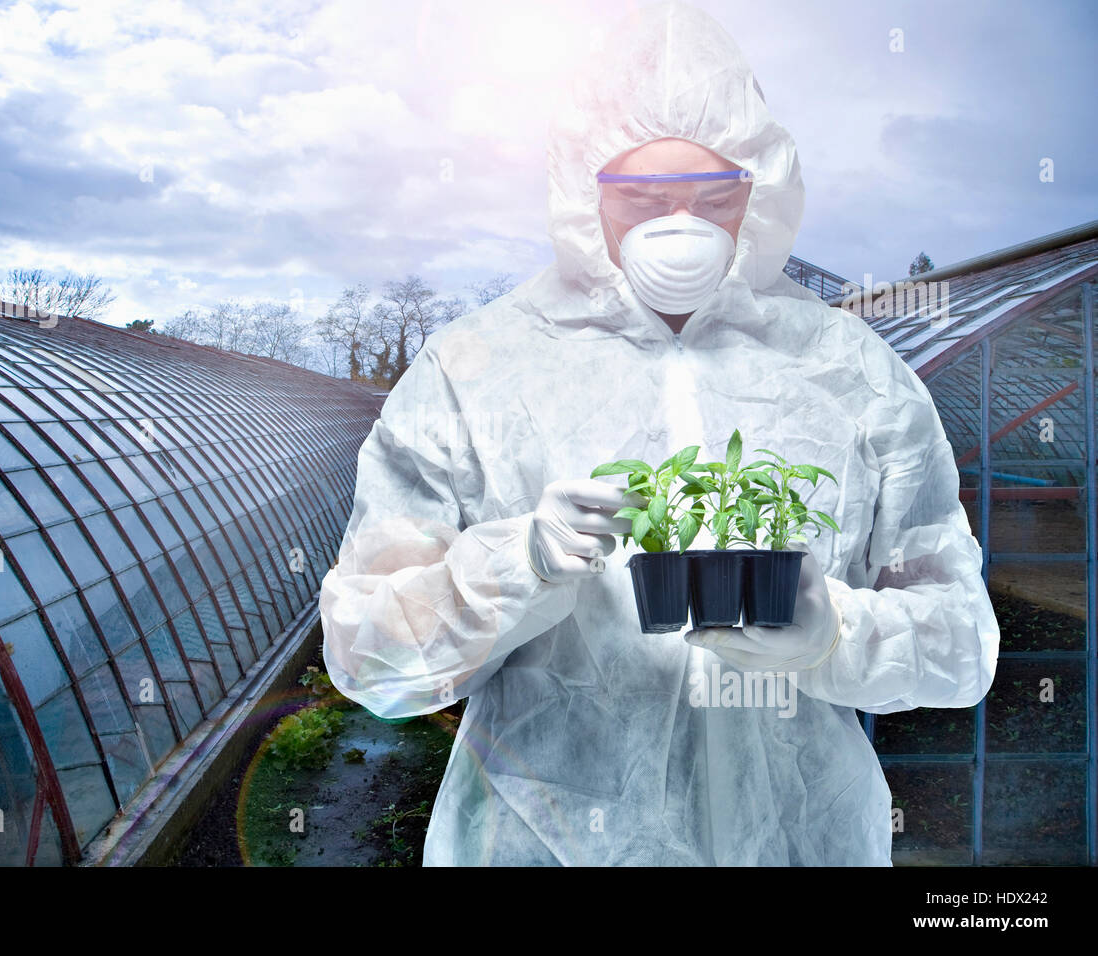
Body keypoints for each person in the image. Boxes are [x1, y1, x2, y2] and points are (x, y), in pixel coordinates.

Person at [318, 0, 999, 865]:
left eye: (712, 196)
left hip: (803, 840)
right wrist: (514, 564)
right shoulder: (474, 369)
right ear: (581, 192)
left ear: (758, 192)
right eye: (640, 195)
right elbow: (370, 656)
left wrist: (836, 635)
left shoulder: (852, 372)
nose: (678, 225)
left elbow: (960, 645)